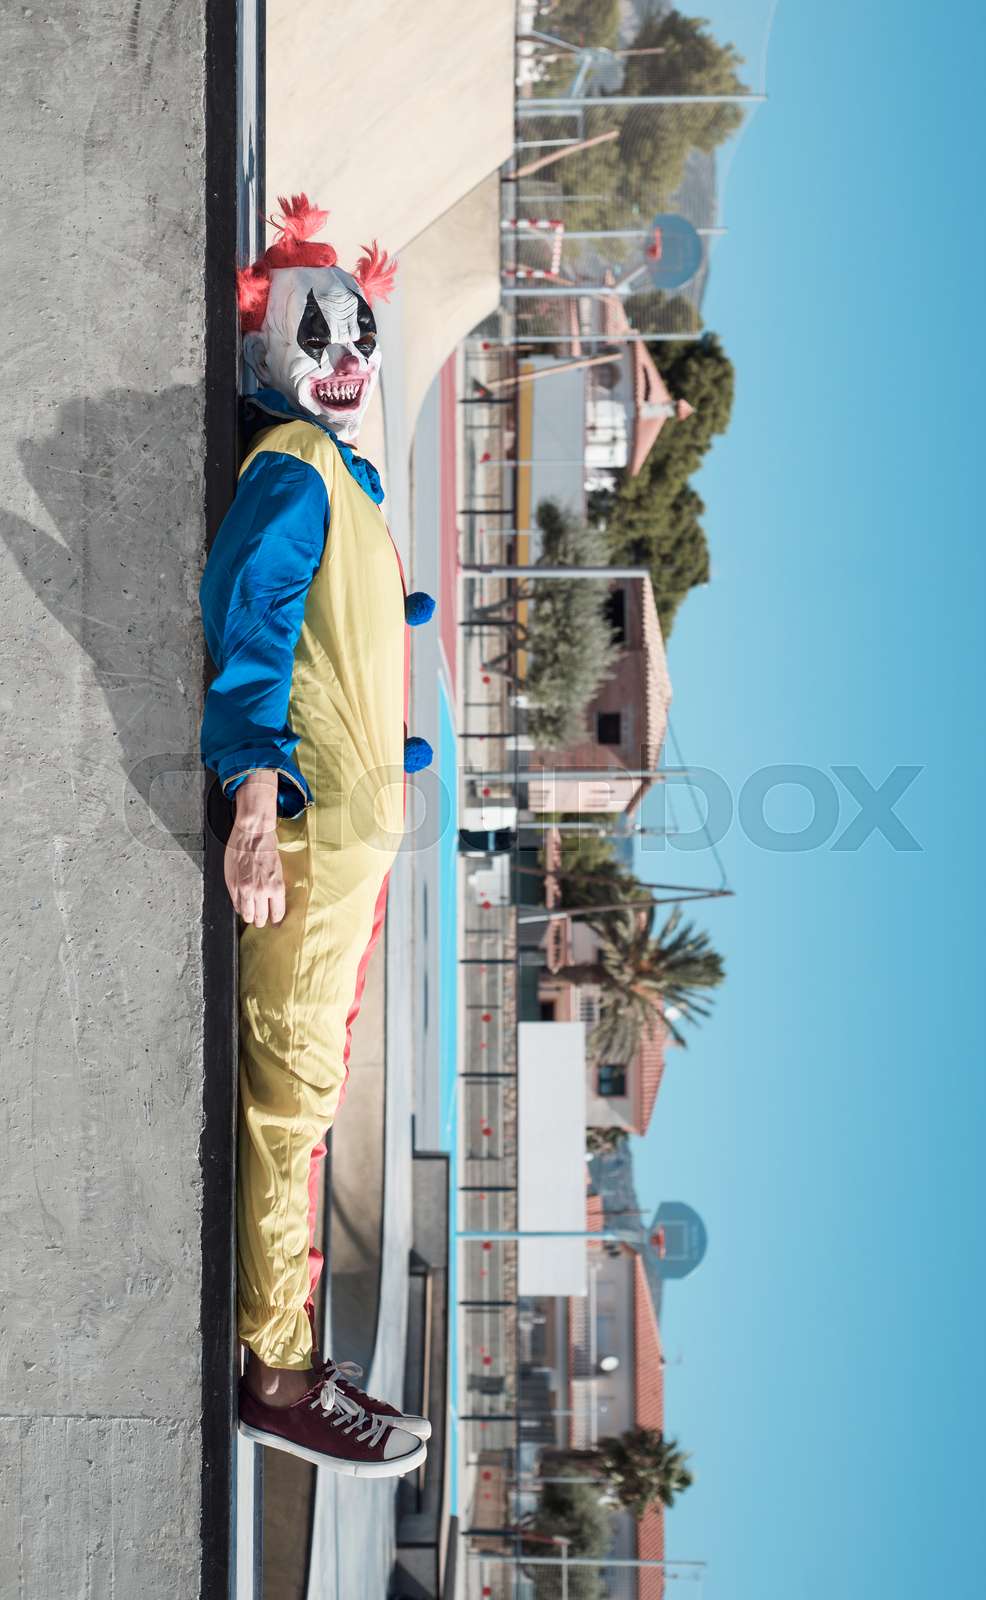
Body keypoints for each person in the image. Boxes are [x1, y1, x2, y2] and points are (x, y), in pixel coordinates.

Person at [199, 194, 435, 1477]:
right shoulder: (294, 459)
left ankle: (293, 1345)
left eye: (361, 334)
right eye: (318, 333)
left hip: (348, 841)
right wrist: (251, 794)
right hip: (311, 830)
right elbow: (256, 609)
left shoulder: (337, 472)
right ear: (268, 346)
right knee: (290, 1104)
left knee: (312, 1093)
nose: (346, 355)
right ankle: (278, 1373)